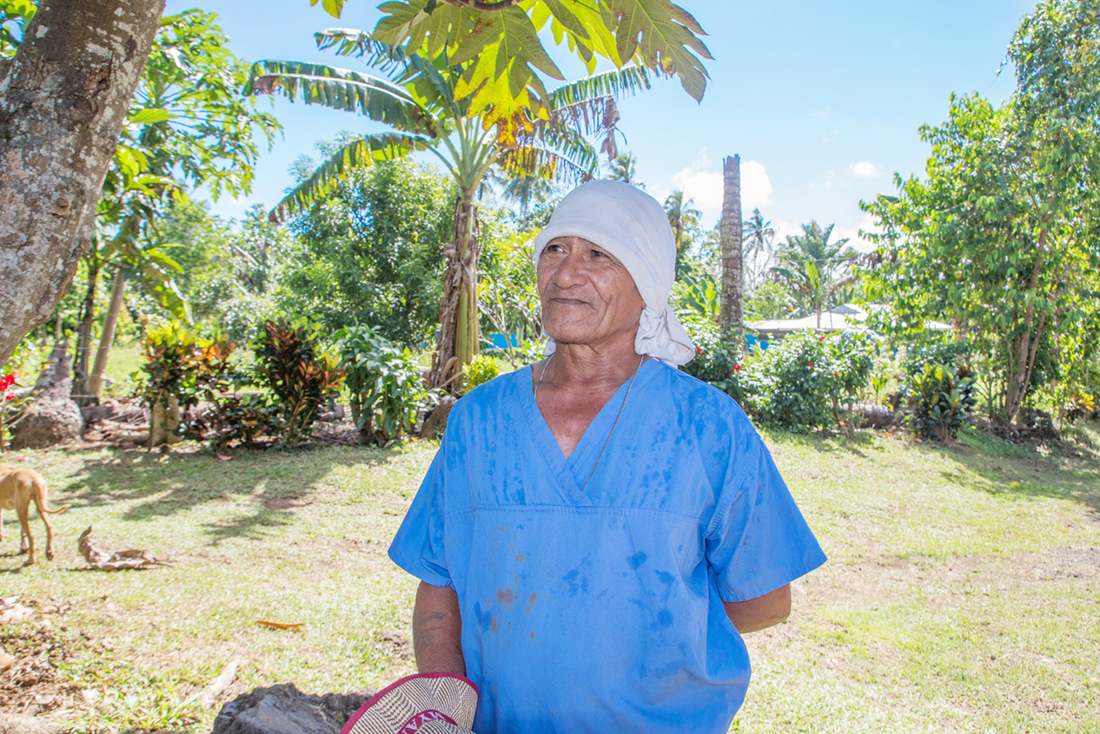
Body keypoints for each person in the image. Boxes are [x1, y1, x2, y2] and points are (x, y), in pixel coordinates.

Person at [389, 180, 826, 733]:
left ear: (647, 282)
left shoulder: (708, 427)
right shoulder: (479, 421)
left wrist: (645, 637)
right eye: (555, 249)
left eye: (598, 254)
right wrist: (445, 711)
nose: (565, 274)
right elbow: (439, 583)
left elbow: (764, 600)